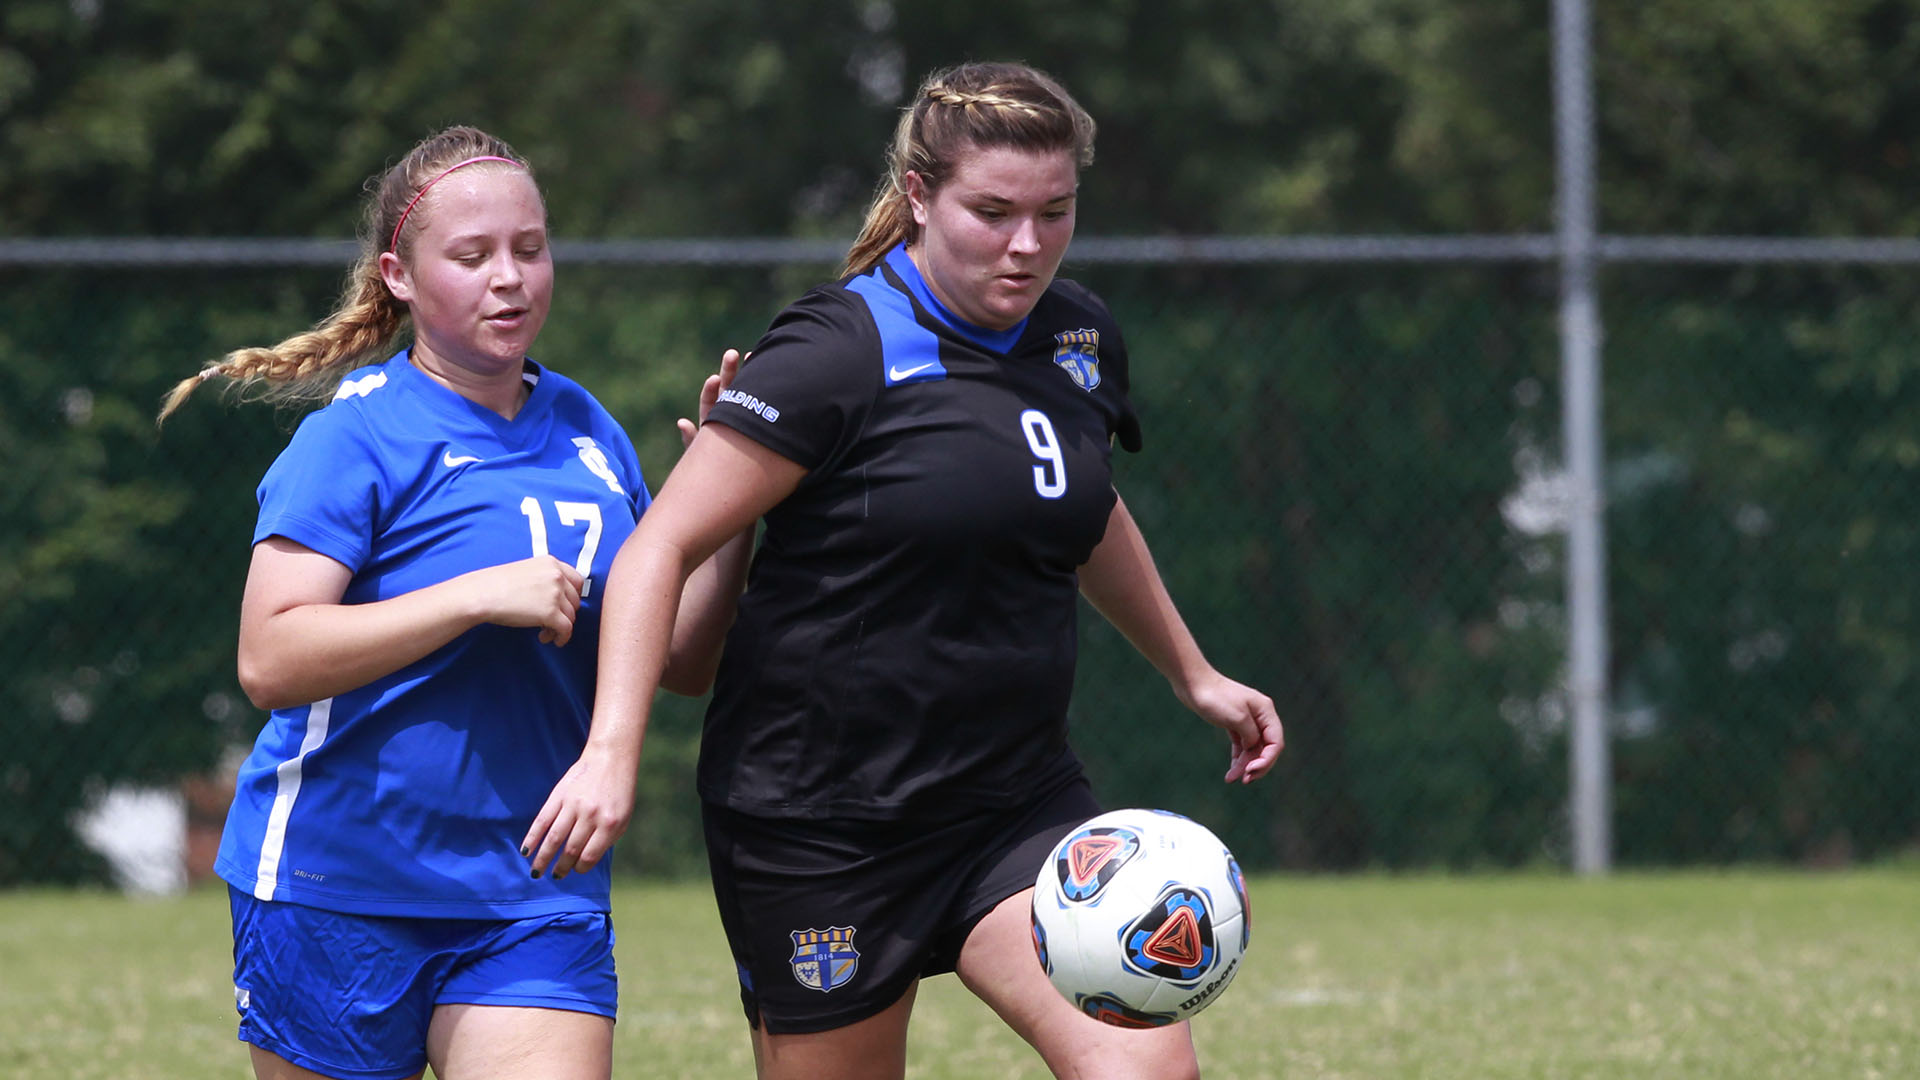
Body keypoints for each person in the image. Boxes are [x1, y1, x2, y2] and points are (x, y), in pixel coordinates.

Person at [524, 62, 1283, 1080]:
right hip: (820, 821)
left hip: (1013, 799)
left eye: (1056, 212)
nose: (1027, 244)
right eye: (994, 211)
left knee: (1147, 1071)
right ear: (920, 196)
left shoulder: (1078, 336)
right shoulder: (837, 349)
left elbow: (1081, 504)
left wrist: (1193, 672)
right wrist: (613, 750)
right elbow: (660, 543)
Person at [157, 125, 748, 1080]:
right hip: (335, 882)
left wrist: (724, 511)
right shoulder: (354, 437)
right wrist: (471, 597)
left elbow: (679, 660)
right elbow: (271, 659)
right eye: (471, 256)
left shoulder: (589, 433)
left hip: (532, 888)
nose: (509, 278)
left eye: (529, 248)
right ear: (398, 274)